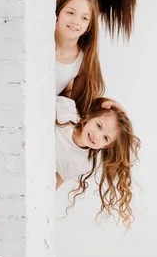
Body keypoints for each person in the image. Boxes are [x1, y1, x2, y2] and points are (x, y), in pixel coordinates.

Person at [55, 95, 140, 230]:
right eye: (99, 125)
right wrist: (105, 101)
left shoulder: (83, 163)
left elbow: (56, 181)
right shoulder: (66, 112)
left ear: (105, 146)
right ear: (90, 117)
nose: (96, 135)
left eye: (105, 138)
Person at [55, 0, 105, 115]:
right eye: (70, 13)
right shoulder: (37, 42)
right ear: (58, 12)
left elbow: (75, 106)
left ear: (89, 26)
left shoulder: (82, 61)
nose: (76, 22)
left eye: (84, 18)